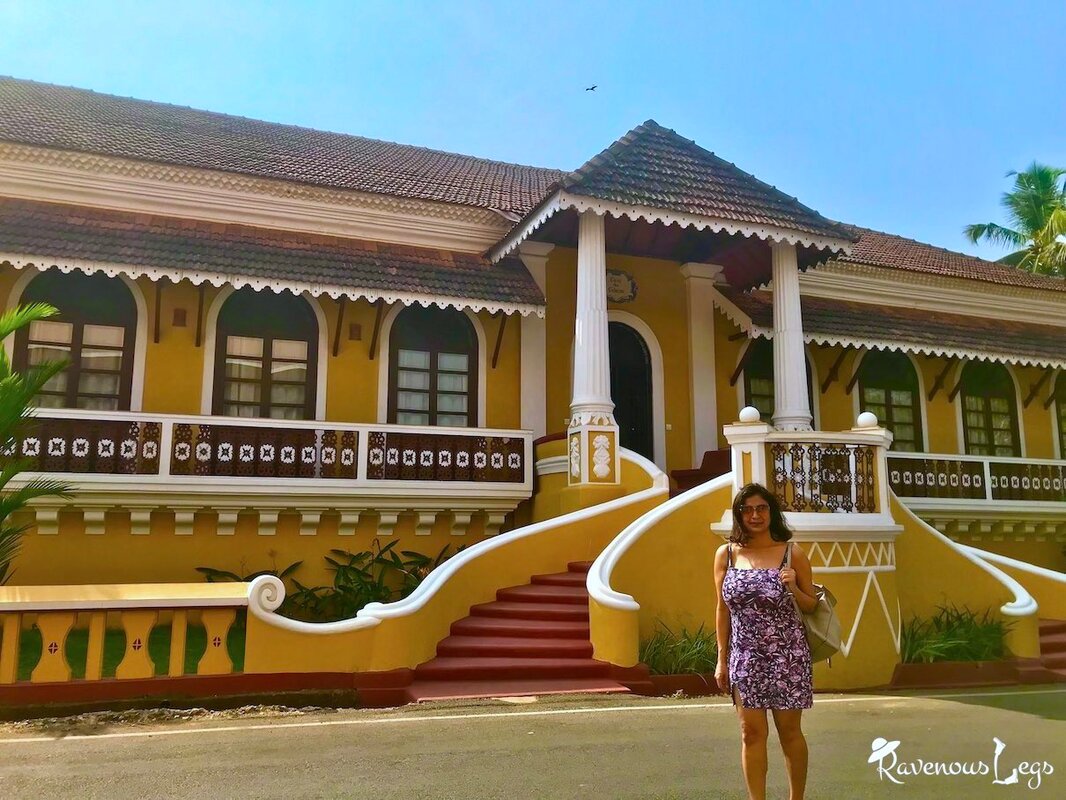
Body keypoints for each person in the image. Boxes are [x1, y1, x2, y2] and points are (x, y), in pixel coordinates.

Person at [714, 483, 819, 800]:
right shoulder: (726, 555)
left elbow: (812, 605)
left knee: (789, 732)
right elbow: (722, 608)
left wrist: (794, 588)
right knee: (750, 733)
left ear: (771, 513)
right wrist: (721, 659)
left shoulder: (792, 553)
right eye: (747, 509)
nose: (754, 515)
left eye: (761, 508)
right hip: (744, 658)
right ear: (739, 515)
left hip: (788, 657)